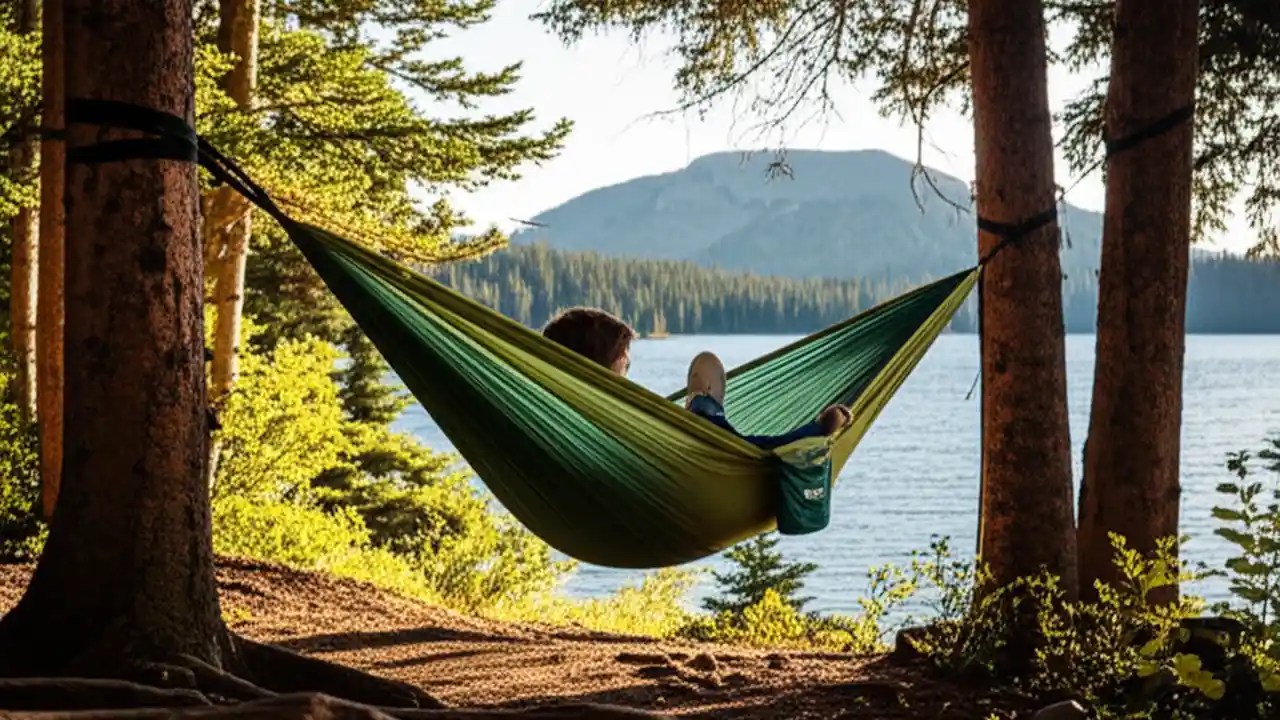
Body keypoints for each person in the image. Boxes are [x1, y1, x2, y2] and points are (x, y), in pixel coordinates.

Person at [542, 307, 850, 450]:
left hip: (668, 452)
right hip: (685, 459)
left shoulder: (565, 413)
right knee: (740, 449)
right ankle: (812, 433)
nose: (626, 377)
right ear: (594, 366)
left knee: (705, 384)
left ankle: (701, 409)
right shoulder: (601, 412)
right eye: (623, 368)